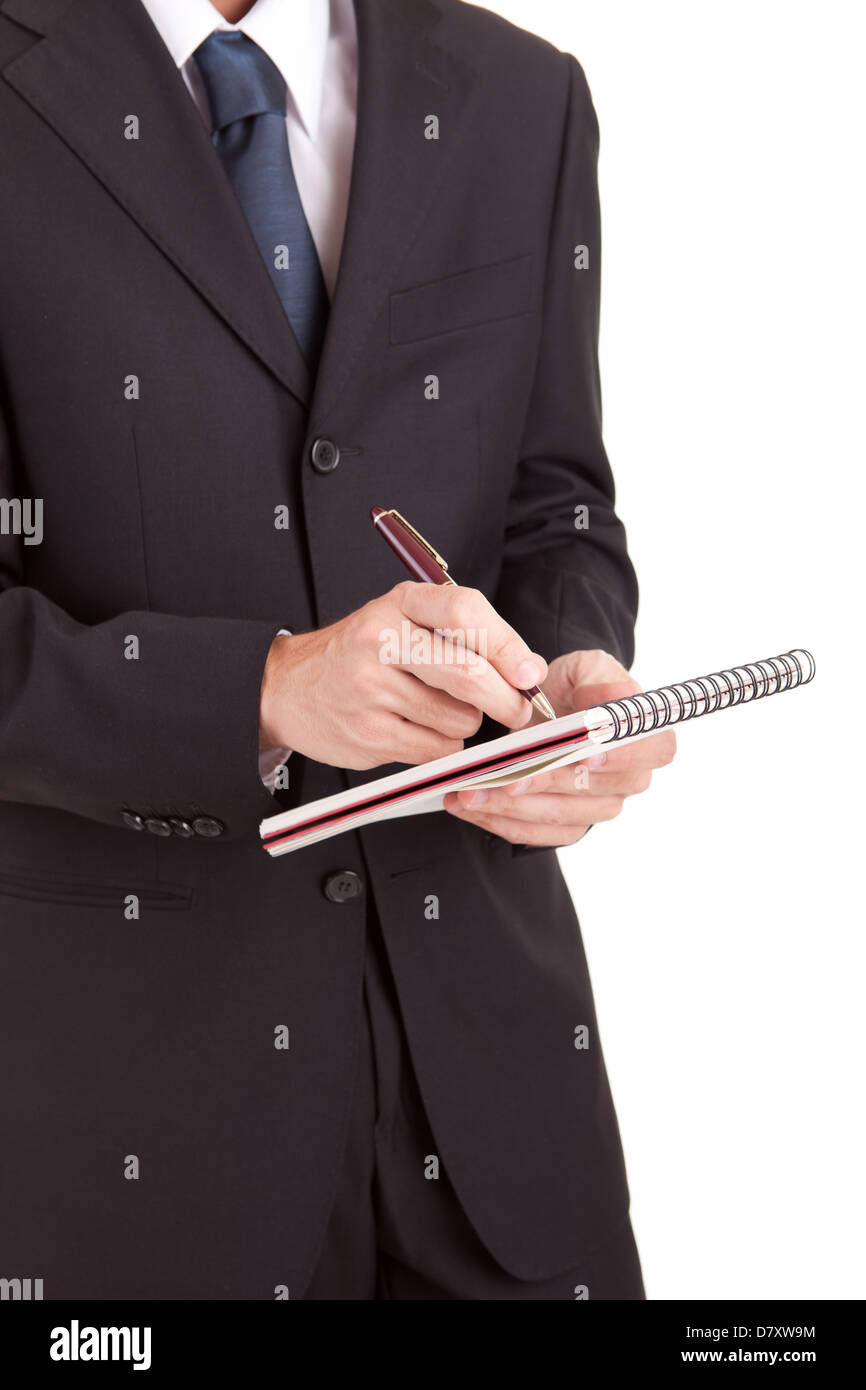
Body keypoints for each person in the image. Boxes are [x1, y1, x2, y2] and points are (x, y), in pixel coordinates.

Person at [0, 0, 674, 1299]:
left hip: (499, 1111)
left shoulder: (517, 92)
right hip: (125, 1141)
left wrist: (564, 679)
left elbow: (555, 507)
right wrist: (264, 691)